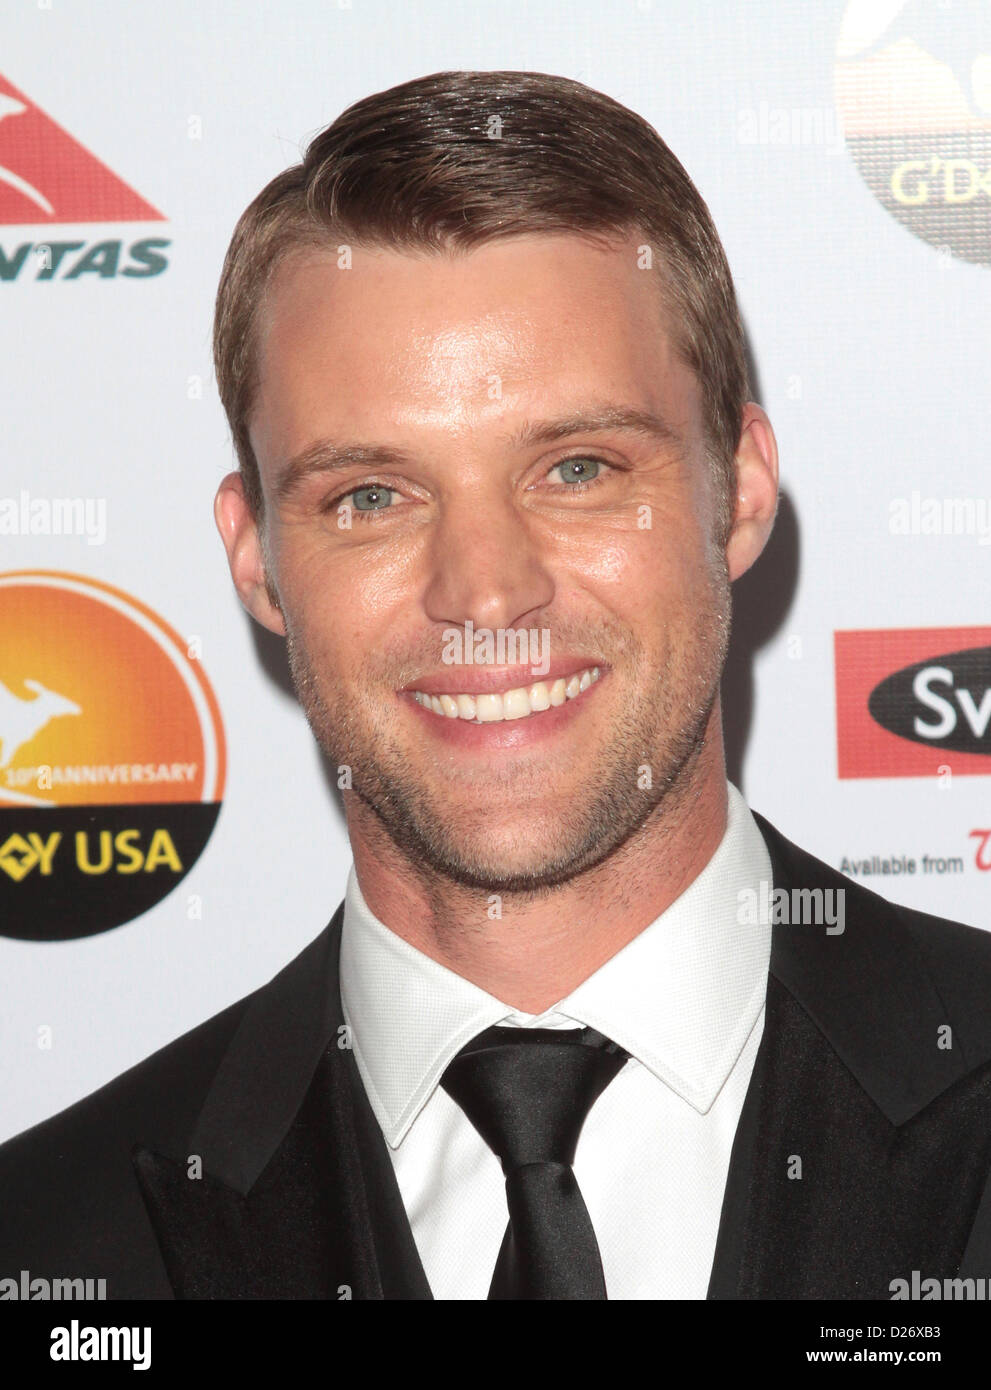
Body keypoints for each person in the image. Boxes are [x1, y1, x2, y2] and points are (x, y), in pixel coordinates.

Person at [2, 69, 991, 1302]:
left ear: (736, 489)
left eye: (576, 468)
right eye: (370, 495)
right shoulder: (49, 1245)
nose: (482, 593)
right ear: (255, 555)